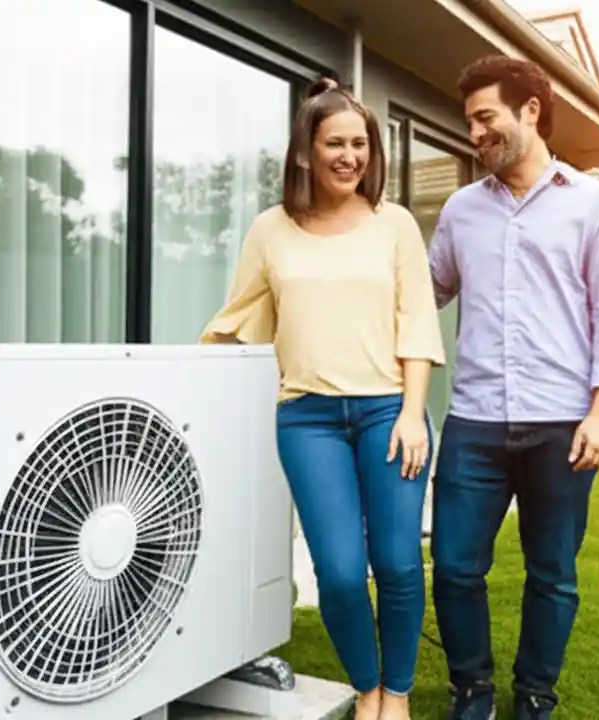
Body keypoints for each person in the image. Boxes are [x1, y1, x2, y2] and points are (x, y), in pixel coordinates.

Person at [199, 77, 445, 720]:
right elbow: (238, 315)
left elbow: (416, 320)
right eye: (335, 143)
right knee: (337, 572)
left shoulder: (394, 225)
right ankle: (366, 685)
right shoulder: (270, 230)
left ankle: (396, 693)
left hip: (389, 412)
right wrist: (187, 372)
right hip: (306, 420)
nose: (349, 156)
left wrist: (415, 415)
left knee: (394, 562)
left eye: (360, 144)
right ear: (305, 152)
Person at [427, 55, 599, 720]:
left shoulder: (597, 205)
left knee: (553, 573)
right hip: (475, 422)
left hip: (562, 423)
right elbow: (423, 295)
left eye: (486, 118)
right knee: (456, 567)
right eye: (470, 122)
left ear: (531, 112)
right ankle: (473, 690)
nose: (475, 133)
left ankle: (535, 694)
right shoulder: (461, 211)